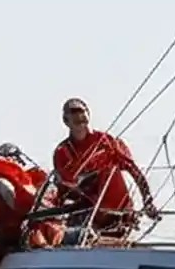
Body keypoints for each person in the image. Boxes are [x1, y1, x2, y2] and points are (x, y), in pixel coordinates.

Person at [52, 98, 159, 232]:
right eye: (74, 114)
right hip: (86, 212)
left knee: (109, 171)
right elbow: (63, 188)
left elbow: (132, 169)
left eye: (82, 113)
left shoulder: (105, 141)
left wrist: (147, 201)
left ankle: (121, 219)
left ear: (88, 115)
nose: (79, 118)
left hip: (117, 209)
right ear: (66, 121)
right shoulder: (62, 152)